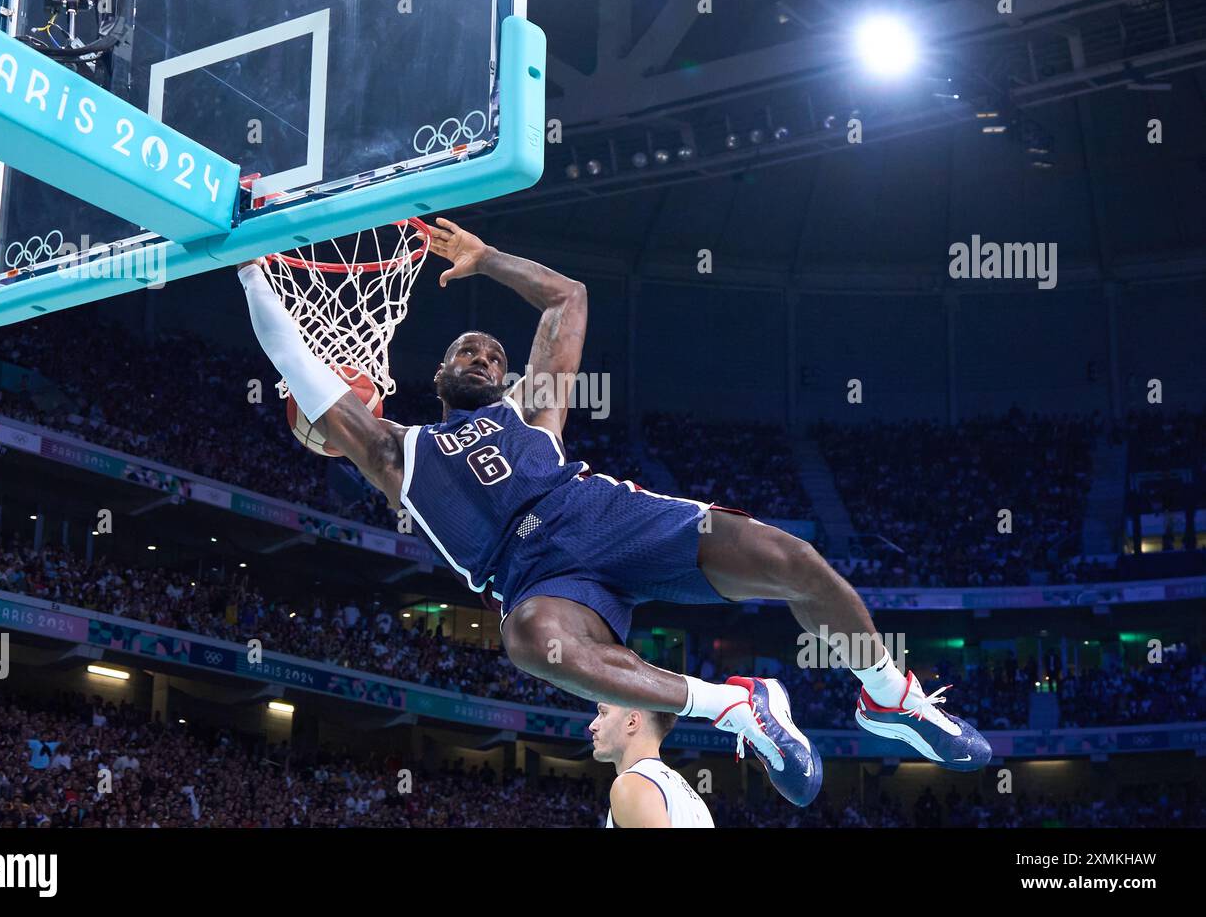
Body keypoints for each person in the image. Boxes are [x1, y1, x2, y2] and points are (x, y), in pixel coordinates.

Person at [236, 220, 990, 809]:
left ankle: (889, 697)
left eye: (495, 357)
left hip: (601, 516)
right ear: (436, 375)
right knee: (530, 640)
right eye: (469, 352)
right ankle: (736, 705)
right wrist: (245, 264)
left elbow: (569, 298)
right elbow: (291, 357)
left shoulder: (532, 414)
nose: (485, 358)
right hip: (536, 577)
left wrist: (488, 257)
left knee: (790, 560)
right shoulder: (396, 452)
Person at [590, 702, 712, 828]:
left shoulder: (632, 784)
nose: (592, 726)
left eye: (603, 713)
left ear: (632, 722)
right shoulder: (693, 798)